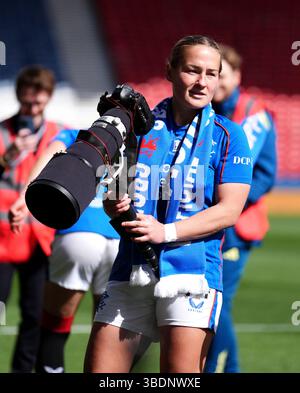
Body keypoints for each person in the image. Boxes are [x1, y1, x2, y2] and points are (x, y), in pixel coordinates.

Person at [83, 35, 253, 373]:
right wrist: (116, 205)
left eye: (211, 73)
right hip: (130, 270)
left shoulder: (230, 135)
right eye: (192, 70)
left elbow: (229, 211)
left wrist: (165, 232)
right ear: (171, 71)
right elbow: (112, 197)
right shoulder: (137, 128)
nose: (202, 82)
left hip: (193, 274)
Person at [9, 128, 120, 373]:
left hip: (78, 235)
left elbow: (49, 158)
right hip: (118, 240)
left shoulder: (74, 134)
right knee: (106, 333)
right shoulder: (134, 142)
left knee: (54, 326)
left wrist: (26, 195)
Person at [205, 44, 277, 373]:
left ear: (237, 75)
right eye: (211, 73)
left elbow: (263, 176)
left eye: (222, 73)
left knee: (219, 306)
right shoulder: (206, 110)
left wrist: (224, 203)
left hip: (237, 227)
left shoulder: (254, 113)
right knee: (207, 304)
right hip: (207, 221)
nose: (216, 80)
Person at [0, 65, 64, 373]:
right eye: (26, 103)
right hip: (1, 240)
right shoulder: (1, 133)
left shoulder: (58, 135)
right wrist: (6, 158)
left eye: (37, 103)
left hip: (40, 239)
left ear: (48, 99)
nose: (31, 109)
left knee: (35, 316)